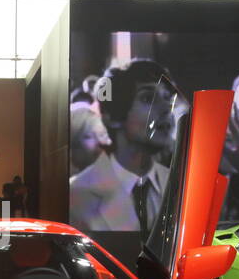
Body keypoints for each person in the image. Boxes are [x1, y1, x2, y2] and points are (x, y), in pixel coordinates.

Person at [70, 59, 179, 233]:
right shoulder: (77, 193)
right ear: (112, 116)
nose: (167, 107)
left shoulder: (180, 186)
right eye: (148, 98)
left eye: (168, 98)